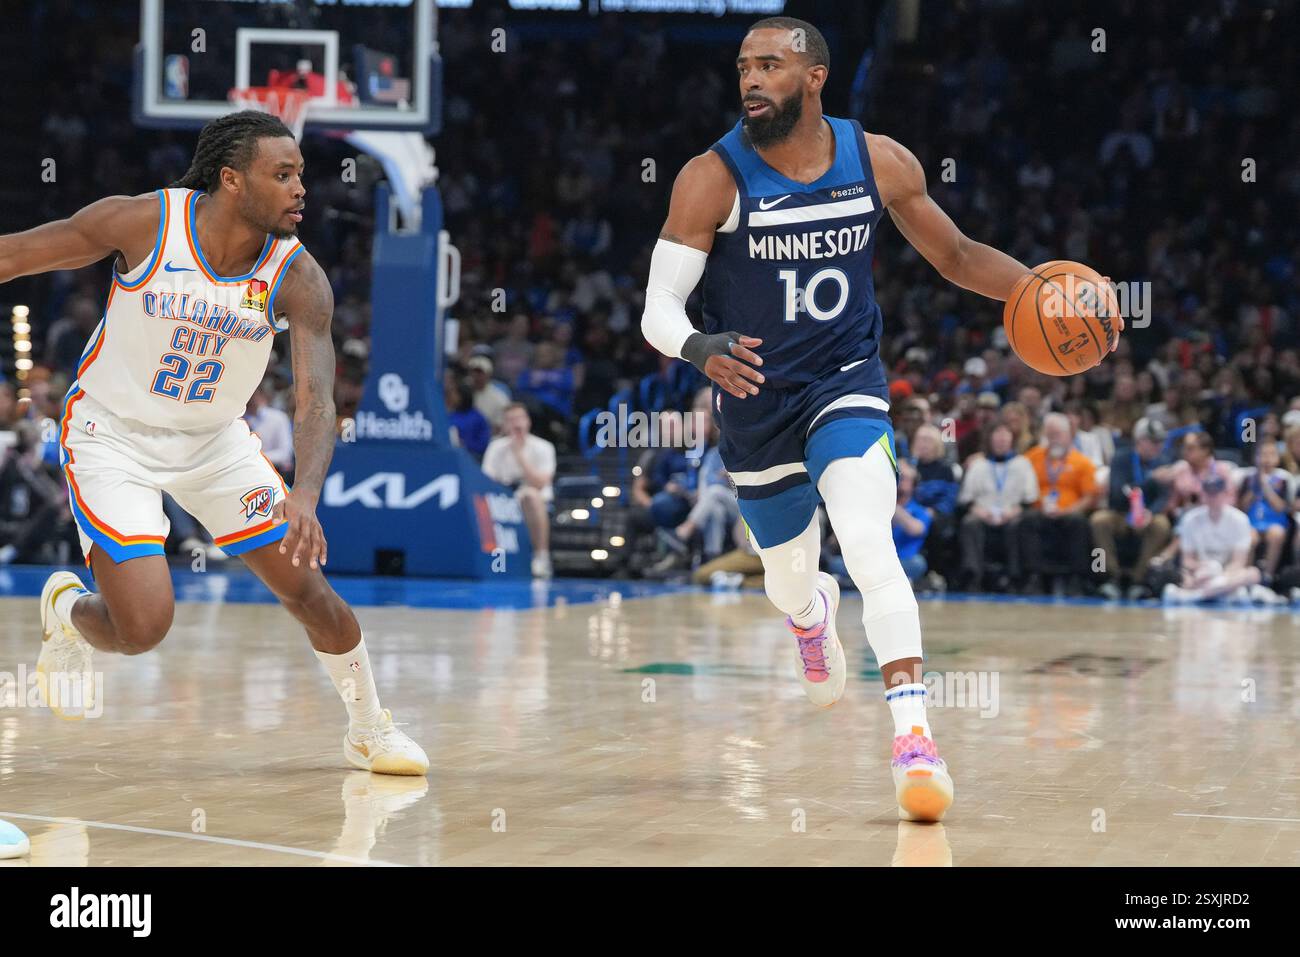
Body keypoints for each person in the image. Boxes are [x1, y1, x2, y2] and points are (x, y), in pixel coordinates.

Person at [640, 16, 1119, 821]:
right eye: (743, 66)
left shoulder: (878, 160)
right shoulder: (711, 177)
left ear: (815, 76)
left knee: (868, 536)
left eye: (770, 64)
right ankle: (809, 613)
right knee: (789, 579)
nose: (751, 78)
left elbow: (959, 256)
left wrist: (1044, 291)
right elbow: (657, 306)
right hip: (754, 400)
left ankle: (915, 734)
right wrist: (696, 345)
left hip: (845, 382)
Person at [0, 111, 428, 773]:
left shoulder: (298, 275)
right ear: (231, 179)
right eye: (282, 174)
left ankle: (369, 727)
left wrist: (306, 493)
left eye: (301, 175)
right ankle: (66, 607)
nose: (299, 189)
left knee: (310, 591)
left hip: (214, 444)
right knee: (143, 628)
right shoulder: (146, 223)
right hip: (113, 435)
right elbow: (17, 254)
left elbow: (315, 401)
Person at [1155, 471, 1276, 604]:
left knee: (1253, 574)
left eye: (1216, 493)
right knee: (1191, 578)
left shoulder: (1240, 519)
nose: (1213, 497)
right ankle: (1222, 593)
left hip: (1229, 574)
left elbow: (1238, 562)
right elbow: (1187, 560)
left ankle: (1196, 595)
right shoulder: (1190, 519)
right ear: (1203, 494)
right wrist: (1204, 568)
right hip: (1200, 573)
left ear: (1225, 494)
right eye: (1209, 493)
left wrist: (1220, 575)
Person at [1089, 417, 1175, 600]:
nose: (1158, 447)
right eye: (1154, 442)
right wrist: (1150, 479)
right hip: (1121, 513)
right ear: (1140, 440)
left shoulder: (1163, 460)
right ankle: (1110, 576)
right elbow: (1119, 493)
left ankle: (1139, 579)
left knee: (1162, 525)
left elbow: (1163, 496)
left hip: (1148, 515)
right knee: (1099, 520)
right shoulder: (1121, 458)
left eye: (1161, 442)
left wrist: (1151, 513)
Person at [1022, 412, 1100, 595]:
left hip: (1070, 513)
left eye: (1057, 434)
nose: (1053, 439)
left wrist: (1068, 511)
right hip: (1039, 511)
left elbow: (1089, 497)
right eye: (1049, 435)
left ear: (1069, 435)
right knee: (1026, 521)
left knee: (1078, 523)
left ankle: (1077, 578)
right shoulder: (1032, 457)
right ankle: (1034, 577)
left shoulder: (1083, 462)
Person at [957, 423, 1039, 591]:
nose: (1001, 441)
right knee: (969, 523)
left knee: (1019, 525)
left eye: (1005, 437)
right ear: (990, 440)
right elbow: (967, 499)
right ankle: (973, 575)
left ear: (1011, 440)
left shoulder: (1023, 464)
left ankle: (1015, 578)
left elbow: (1029, 498)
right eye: (997, 437)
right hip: (983, 513)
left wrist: (1011, 513)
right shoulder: (978, 465)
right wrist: (980, 512)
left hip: (1013, 512)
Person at [481, 403, 556, 578]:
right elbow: (486, 480)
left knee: (530, 495)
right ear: (504, 425)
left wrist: (518, 453)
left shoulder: (544, 447)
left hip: (535, 500)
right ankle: (496, 563)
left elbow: (539, 483)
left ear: (528, 421)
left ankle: (541, 558)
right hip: (504, 497)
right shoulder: (495, 447)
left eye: (520, 418)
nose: (516, 424)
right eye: (511, 420)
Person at [1236, 439, 1293, 585]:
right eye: (1262, 454)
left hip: (1274, 521)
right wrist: (1255, 488)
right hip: (1251, 522)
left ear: (1278, 458)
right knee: (1249, 538)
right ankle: (1246, 577)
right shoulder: (1248, 477)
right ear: (1255, 457)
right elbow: (1242, 507)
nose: (1266, 459)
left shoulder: (1283, 478)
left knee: (1277, 534)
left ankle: (1267, 576)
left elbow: (1281, 507)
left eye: (1271, 454)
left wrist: (1266, 486)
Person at [244, 376, 294, 482]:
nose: (250, 398)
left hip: (276, 471)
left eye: (254, 394)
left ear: (262, 396)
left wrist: (255, 458)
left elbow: (285, 453)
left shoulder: (278, 417)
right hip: (246, 471)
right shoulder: (238, 419)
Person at [892, 461, 931, 584]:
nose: (900, 481)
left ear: (914, 484)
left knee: (919, 563)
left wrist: (894, 507)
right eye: (898, 477)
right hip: (877, 559)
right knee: (836, 563)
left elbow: (916, 529)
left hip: (905, 561)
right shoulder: (879, 506)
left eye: (905, 478)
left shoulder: (921, 511)